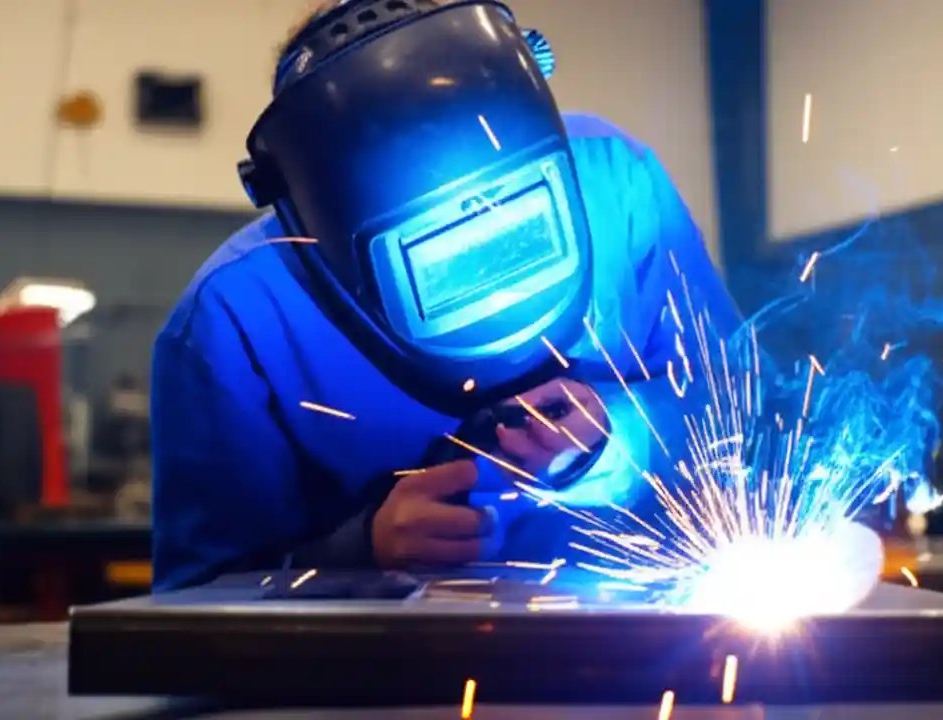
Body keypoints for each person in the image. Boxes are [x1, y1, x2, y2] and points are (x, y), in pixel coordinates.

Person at [151, 0, 740, 591]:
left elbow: (747, 403)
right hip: (395, 673)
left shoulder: (618, 185)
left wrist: (626, 432)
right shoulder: (234, 318)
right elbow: (196, 599)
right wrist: (360, 549)